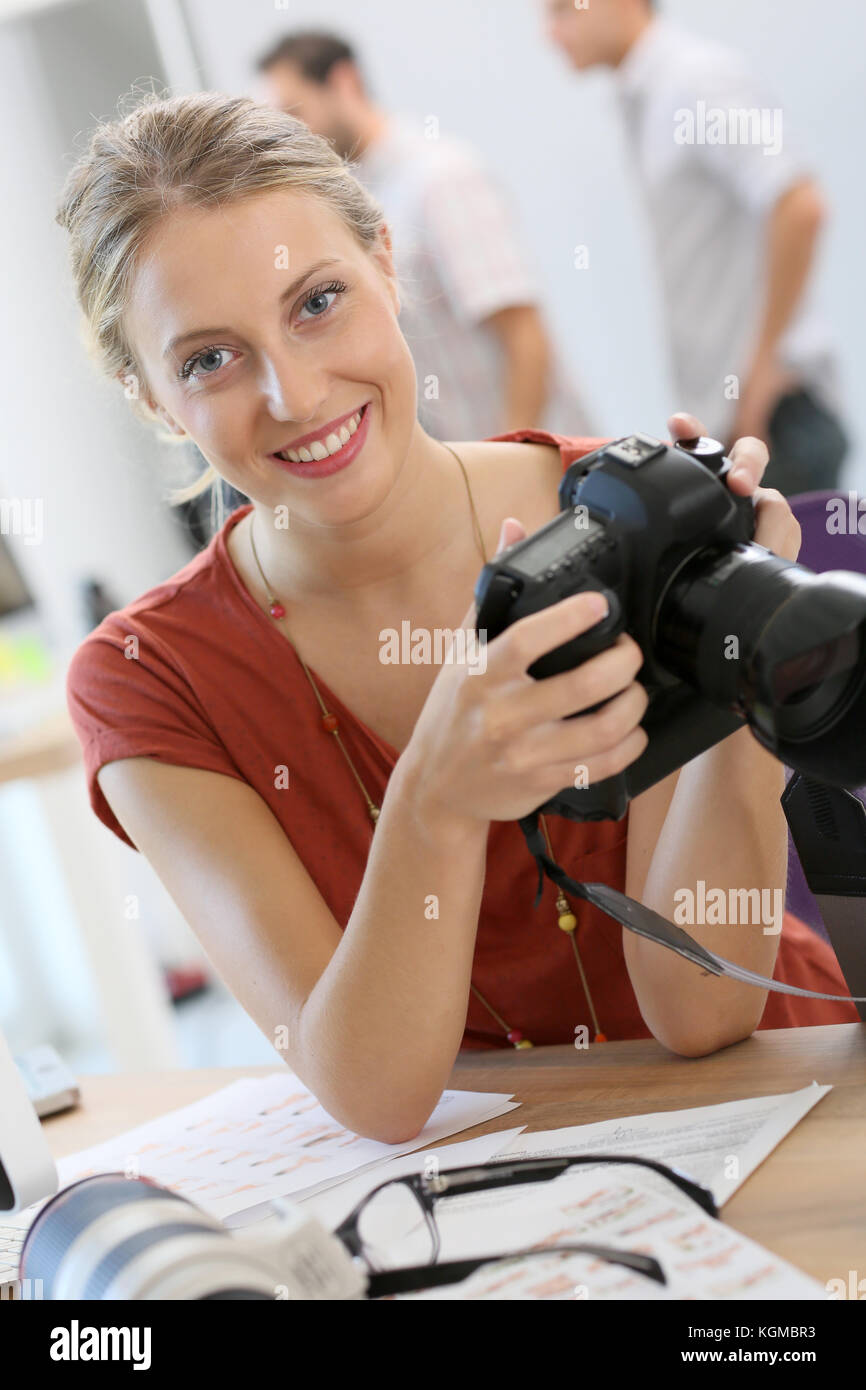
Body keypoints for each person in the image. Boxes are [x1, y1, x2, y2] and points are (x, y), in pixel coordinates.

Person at [60, 92, 857, 1144]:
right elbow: (374, 1093)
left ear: (387, 263)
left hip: (774, 1111)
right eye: (210, 358)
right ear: (152, 398)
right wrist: (433, 798)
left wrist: (743, 660)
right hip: (487, 1196)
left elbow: (701, 1011)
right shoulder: (148, 678)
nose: (295, 392)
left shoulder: (613, 514)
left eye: (317, 301)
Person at [544, 0, 848, 496]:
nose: (551, 33)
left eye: (562, 9)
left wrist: (761, 375)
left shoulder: (695, 82)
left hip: (775, 421)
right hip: (739, 424)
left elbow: (800, 205)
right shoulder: (648, 99)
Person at [256, 29, 593, 442]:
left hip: (537, 467)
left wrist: (509, 458)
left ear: (344, 82)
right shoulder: (359, 198)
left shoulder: (438, 180)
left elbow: (525, 336)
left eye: (296, 110)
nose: (296, 133)